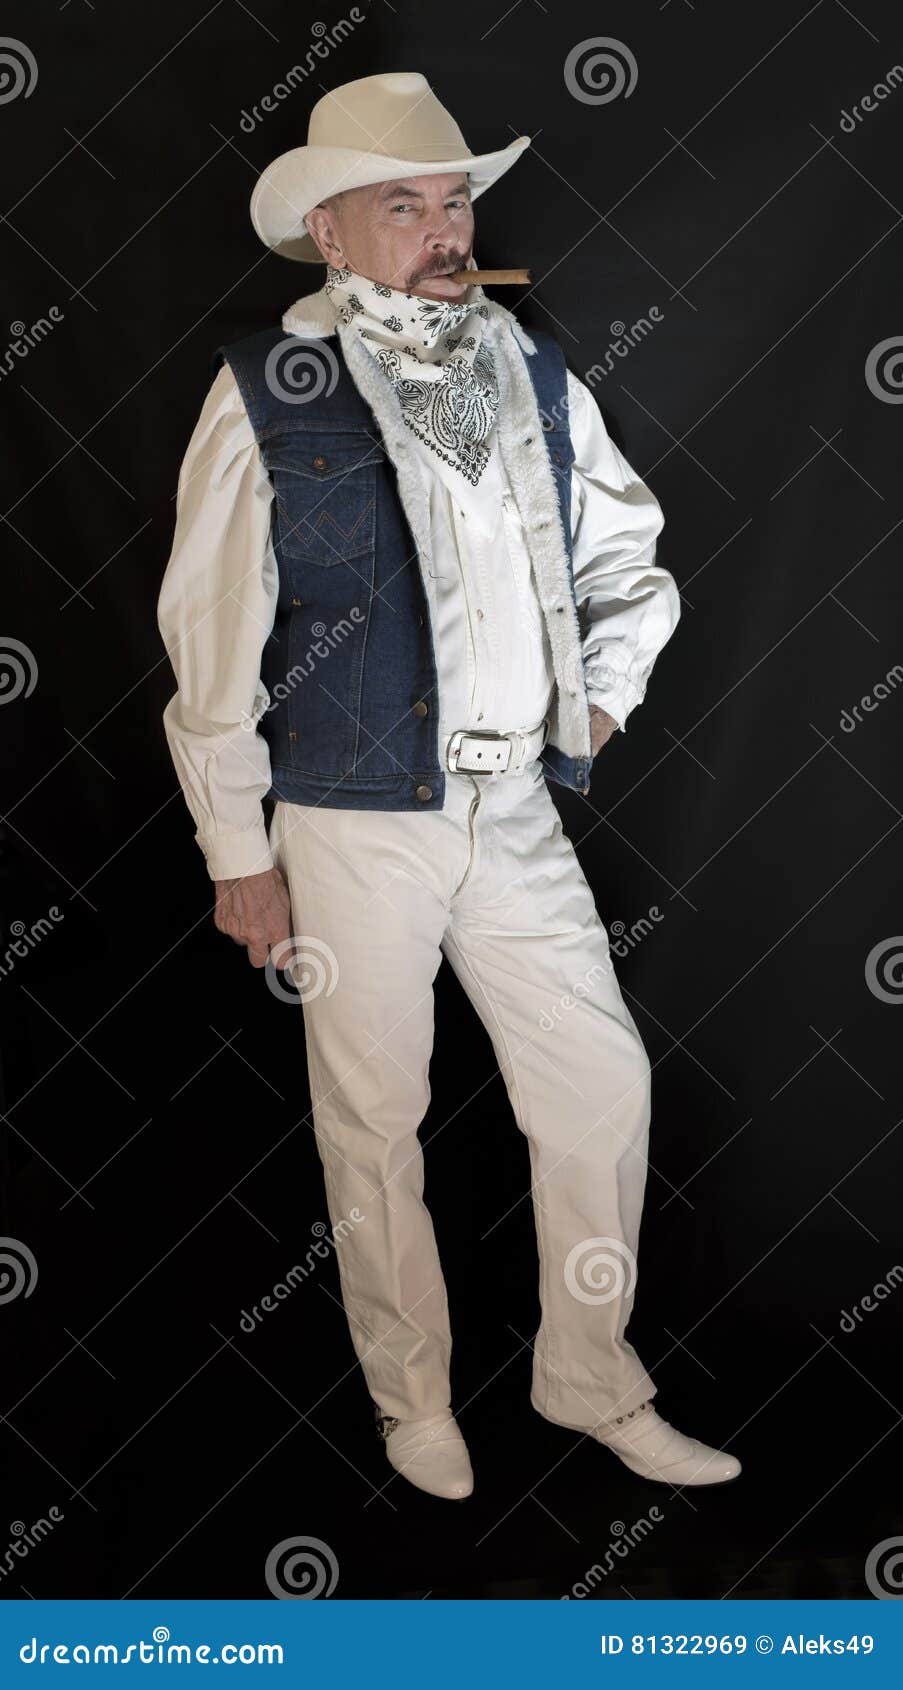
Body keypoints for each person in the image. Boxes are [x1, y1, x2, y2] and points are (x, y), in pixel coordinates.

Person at [157, 71, 741, 1500]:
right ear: (331, 232)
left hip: (513, 805)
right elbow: (211, 633)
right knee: (374, 1122)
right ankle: (411, 1398)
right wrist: (237, 849)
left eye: (456, 200)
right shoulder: (267, 389)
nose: (443, 229)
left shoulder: (531, 368)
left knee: (598, 1084)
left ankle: (587, 1374)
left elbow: (629, 554)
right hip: (349, 821)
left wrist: (602, 695)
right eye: (405, 205)